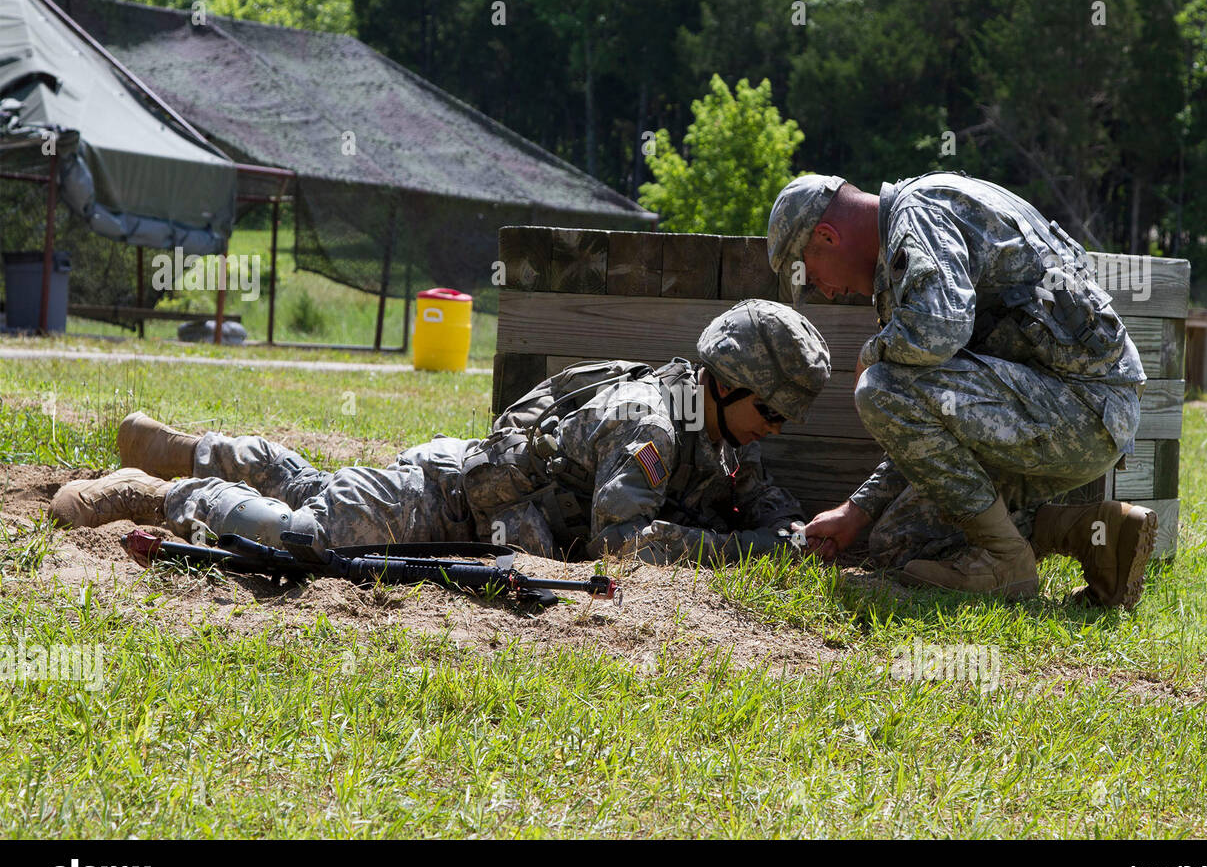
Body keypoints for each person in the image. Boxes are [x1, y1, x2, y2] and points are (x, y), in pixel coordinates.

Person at [50, 300, 831, 565]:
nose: (774, 430)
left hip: (477, 514)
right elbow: (625, 545)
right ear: (726, 382)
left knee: (318, 496)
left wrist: (797, 536)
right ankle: (158, 491)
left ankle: (197, 449)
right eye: (771, 412)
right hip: (449, 495)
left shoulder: (717, 435)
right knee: (308, 537)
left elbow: (770, 504)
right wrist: (754, 551)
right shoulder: (651, 422)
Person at [767, 172, 1157, 608]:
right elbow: (929, 421)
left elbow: (939, 331)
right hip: (1061, 415)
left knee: (879, 383)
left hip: (1082, 410)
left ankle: (1005, 559)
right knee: (899, 544)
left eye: (812, 276)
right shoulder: (922, 217)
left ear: (826, 235)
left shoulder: (919, 213)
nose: (828, 291)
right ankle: (1092, 531)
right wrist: (856, 511)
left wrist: (870, 354)